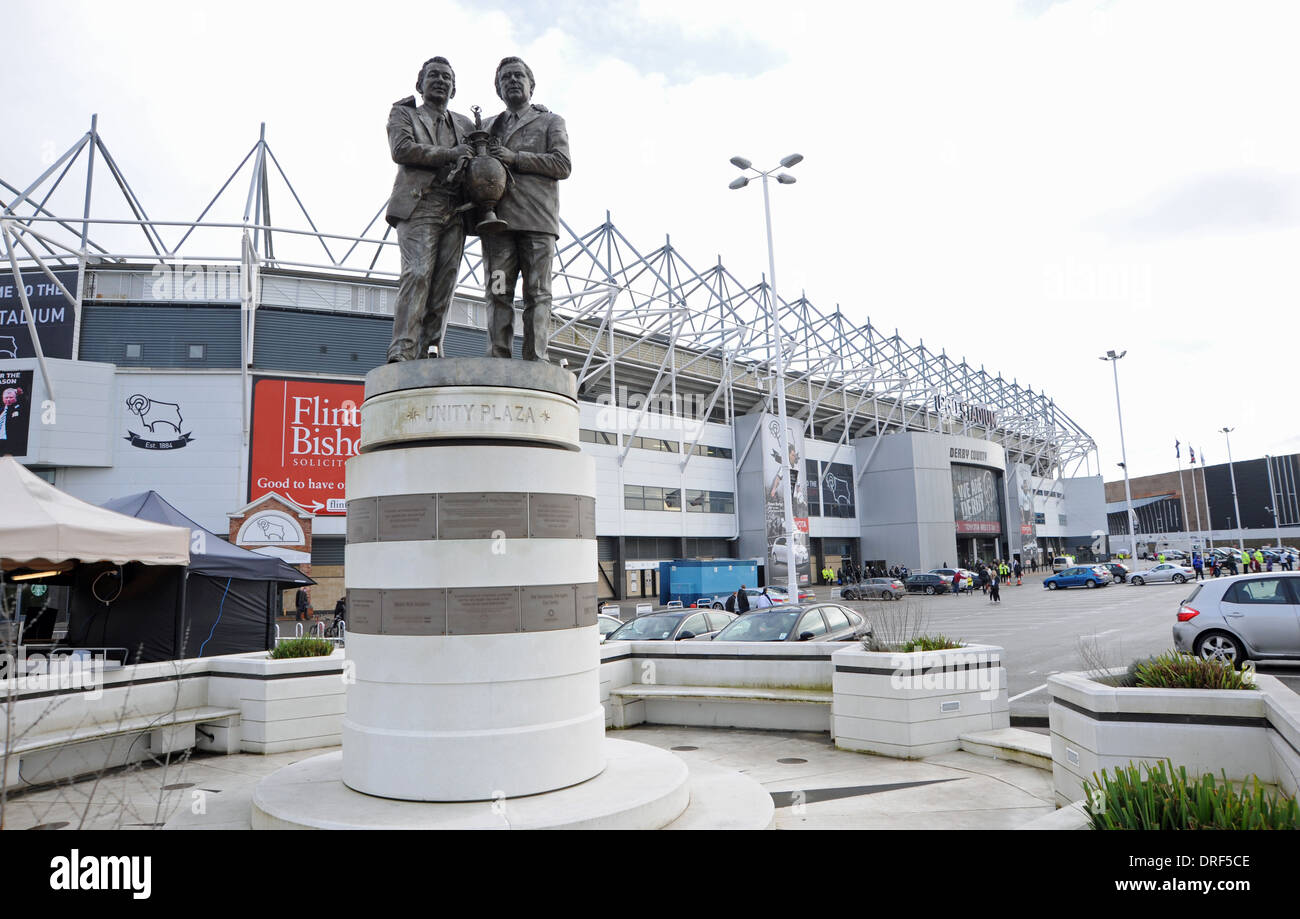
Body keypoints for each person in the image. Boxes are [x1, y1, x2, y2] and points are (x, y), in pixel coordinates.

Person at [384, 57, 475, 362]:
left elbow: (496, 132)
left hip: (456, 208)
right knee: (418, 273)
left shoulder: (465, 124)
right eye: (433, 76)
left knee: (445, 282)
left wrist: (537, 109)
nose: (440, 81)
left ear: (454, 87)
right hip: (419, 203)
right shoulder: (404, 113)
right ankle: (403, 348)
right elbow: (402, 150)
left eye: (446, 77)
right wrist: (450, 154)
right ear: (419, 84)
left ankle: (431, 347)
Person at [484, 56, 572, 362]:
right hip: (498, 225)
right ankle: (499, 356)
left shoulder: (550, 121)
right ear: (498, 88)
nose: (511, 81)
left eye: (517, 75)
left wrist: (515, 157)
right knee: (498, 290)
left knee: (537, 293)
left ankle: (536, 358)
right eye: (505, 77)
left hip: (538, 222)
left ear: (531, 85)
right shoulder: (488, 126)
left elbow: (562, 164)